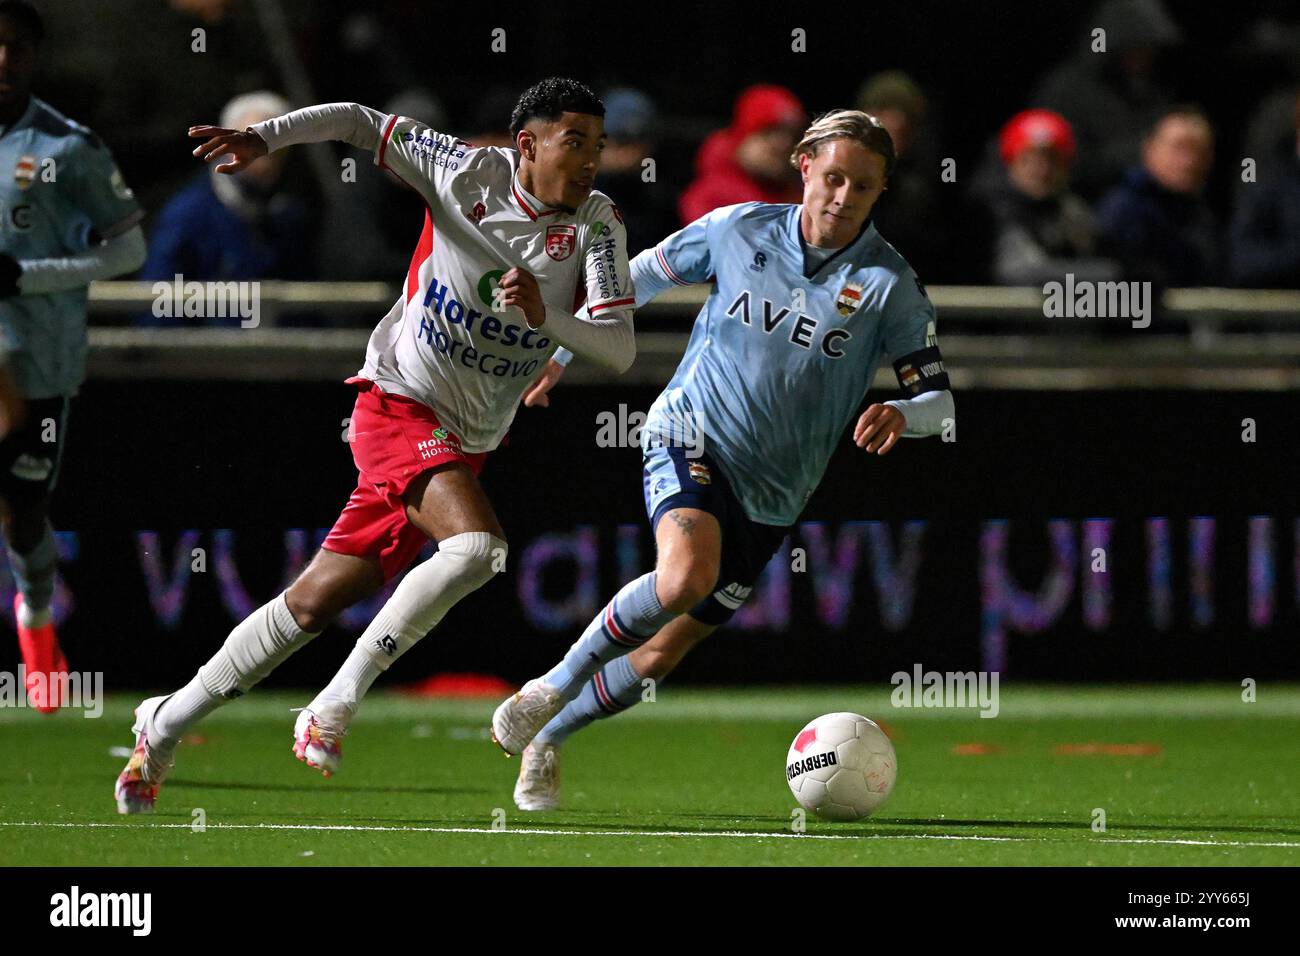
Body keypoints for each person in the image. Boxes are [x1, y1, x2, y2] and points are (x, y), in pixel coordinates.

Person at [114, 77, 635, 813]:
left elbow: (616, 349)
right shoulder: (462, 171)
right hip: (398, 401)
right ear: (528, 144)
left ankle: (162, 724)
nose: (590, 161)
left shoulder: (597, 224)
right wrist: (268, 136)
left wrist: (547, 316)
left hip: (468, 435)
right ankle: (334, 702)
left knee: (315, 602)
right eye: (574, 142)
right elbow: (359, 121)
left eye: (599, 146)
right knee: (479, 549)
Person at [497, 110, 955, 810]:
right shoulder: (739, 229)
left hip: (773, 494)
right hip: (691, 432)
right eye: (832, 177)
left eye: (861, 187)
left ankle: (549, 735)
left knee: (658, 656)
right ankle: (549, 687)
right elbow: (638, 278)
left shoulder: (890, 286)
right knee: (685, 574)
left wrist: (904, 414)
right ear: (804, 166)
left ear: (880, 190)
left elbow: (942, 406)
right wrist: (563, 347)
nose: (841, 196)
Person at [0, 1, 146, 712]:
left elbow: (128, 248)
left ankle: (34, 612)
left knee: (23, 513)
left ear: (33, 56)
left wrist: (29, 274)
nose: (2, 62)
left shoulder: (64, 147)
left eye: (16, 49)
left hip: (39, 357)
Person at [138, 91, 311, 321]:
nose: (265, 157)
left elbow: (307, 308)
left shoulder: (288, 217)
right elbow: (158, 310)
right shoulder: (188, 217)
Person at [980, 109, 1119, 286]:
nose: (1041, 170)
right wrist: (1111, 274)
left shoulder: (1072, 209)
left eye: (1052, 159)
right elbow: (1019, 273)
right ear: (1011, 162)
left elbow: (1099, 252)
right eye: (1028, 159)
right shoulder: (993, 211)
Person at [1095, 106, 1219, 287]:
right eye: (1179, 148)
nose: (1189, 162)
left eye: (1198, 151)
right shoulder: (1123, 211)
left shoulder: (1203, 215)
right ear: (1150, 149)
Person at [678, 84, 805, 225]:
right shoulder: (710, 201)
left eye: (791, 135)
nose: (783, 144)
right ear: (742, 136)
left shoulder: (801, 196)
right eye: (768, 132)